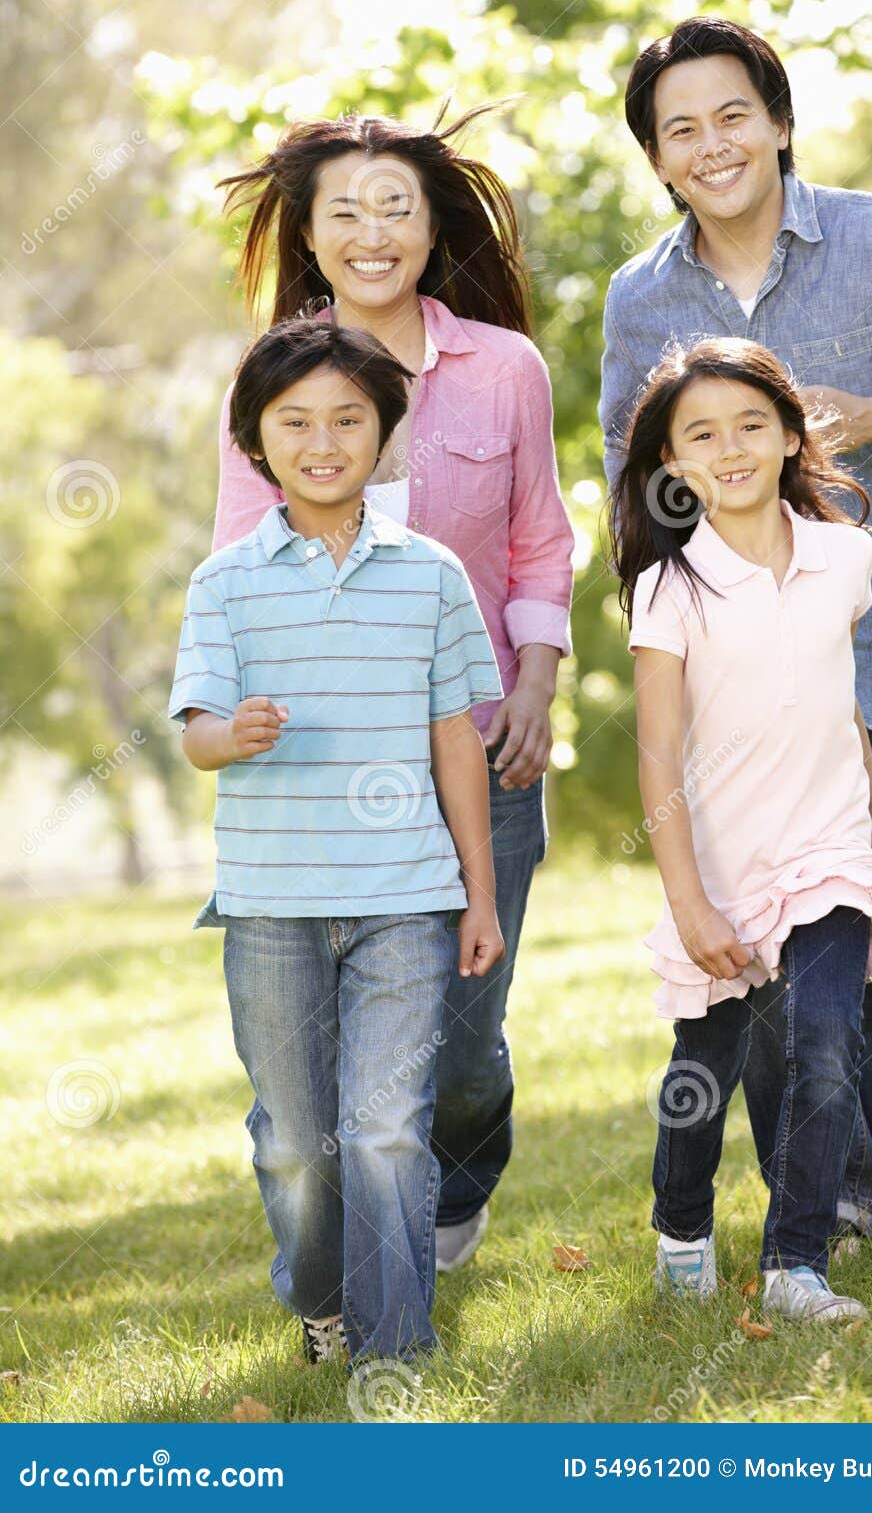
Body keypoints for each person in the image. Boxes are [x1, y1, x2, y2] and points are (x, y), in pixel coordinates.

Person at [599, 16, 872, 1232]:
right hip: (737, 691)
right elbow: (625, 465)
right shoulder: (641, 296)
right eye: (678, 129)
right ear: (658, 158)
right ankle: (828, 1191)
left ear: (778, 121)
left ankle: (859, 1168)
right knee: (764, 964)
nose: (710, 144)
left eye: (730, 114)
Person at [212, 104, 575, 1271]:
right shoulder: (271, 379)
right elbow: (233, 560)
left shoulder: (503, 367)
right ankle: (342, 1266)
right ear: (309, 238)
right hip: (322, 772)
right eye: (345, 213)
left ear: (430, 229)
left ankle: (457, 1185)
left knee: (464, 1042)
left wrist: (537, 685)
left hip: (481, 748)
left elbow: (538, 539)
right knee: (319, 1054)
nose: (373, 232)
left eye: (396, 209)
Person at [168, 319, 505, 1366]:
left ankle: (395, 1346)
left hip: (405, 894)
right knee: (293, 1142)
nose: (324, 441)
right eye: (295, 421)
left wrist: (479, 897)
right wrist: (236, 734)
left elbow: (457, 740)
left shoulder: (433, 575)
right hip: (270, 903)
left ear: (385, 435)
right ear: (256, 441)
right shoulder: (223, 582)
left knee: (386, 1126)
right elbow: (194, 738)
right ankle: (322, 1299)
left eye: (349, 419)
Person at [613, 335, 872, 1318]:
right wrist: (688, 899)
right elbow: (656, 754)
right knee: (702, 1073)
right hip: (720, 867)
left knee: (824, 1035)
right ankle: (680, 1228)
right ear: (670, 464)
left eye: (750, 423)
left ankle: (795, 1264)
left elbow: (839, 701)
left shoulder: (844, 555)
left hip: (826, 853)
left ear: (790, 433)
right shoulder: (670, 587)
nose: (730, 446)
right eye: (699, 433)